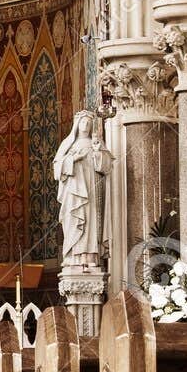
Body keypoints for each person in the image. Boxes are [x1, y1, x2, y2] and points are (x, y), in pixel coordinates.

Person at [53, 110, 109, 265]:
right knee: (74, 220)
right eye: (83, 122)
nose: (86, 125)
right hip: (74, 191)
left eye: (89, 123)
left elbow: (106, 166)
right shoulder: (68, 143)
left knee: (90, 221)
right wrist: (72, 159)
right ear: (77, 124)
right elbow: (57, 168)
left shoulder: (96, 143)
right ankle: (73, 256)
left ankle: (90, 256)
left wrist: (98, 153)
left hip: (91, 189)